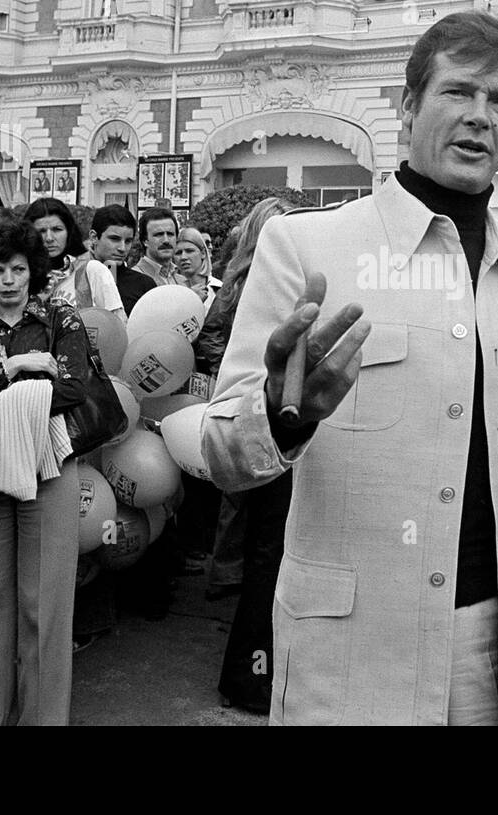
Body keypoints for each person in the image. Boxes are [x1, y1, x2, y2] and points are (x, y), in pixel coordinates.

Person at [201, 10, 498, 725]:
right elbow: (221, 453)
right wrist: (288, 420)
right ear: (408, 108)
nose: (478, 117)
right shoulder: (305, 246)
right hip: (354, 656)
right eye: (457, 92)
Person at [0, 216, 93, 725]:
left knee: (45, 608)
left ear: (34, 270)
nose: (8, 279)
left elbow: (75, 389)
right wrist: (19, 369)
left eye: (19, 268)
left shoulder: (62, 320)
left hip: (51, 468)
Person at [194, 197, 295, 713]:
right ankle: (248, 675)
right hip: (254, 423)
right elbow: (212, 346)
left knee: (266, 550)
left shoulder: (286, 278)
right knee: (265, 551)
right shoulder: (242, 287)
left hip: (275, 427)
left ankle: (255, 670)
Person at [24, 197, 125, 322]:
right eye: (41, 231)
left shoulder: (91, 270)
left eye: (57, 229)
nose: (49, 238)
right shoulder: (18, 274)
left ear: (69, 231)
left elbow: (117, 324)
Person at [87, 204, 157, 317]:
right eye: (114, 239)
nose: (122, 248)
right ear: (94, 237)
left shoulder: (144, 285)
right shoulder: (75, 277)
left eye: (128, 241)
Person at [135, 207, 181, 286]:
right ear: (144, 240)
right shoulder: (134, 279)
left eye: (170, 234)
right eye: (158, 235)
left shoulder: (182, 279)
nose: (166, 240)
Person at [173, 226, 213, 302]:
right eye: (178, 253)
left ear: (203, 253)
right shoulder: (171, 291)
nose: (183, 257)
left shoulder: (219, 289)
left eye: (189, 251)